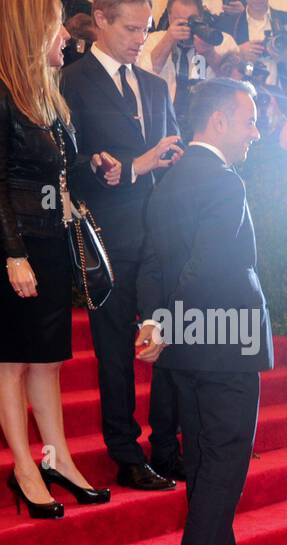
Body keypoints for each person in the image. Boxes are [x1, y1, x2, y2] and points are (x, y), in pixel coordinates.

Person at [135, 77, 282, 545]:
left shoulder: (168, 181)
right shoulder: (223, 183)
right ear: (218, 121)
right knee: (223, 464)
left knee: (203, 461)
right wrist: (169, 321)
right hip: (225, 343)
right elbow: (210, 265)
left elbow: (151, 263)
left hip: (187, 350)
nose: (255, 131)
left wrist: (155, 321)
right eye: (248, 120)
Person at [2, 0, 120, 519]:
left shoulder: (49, 97)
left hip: (52, 243)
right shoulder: (4, 96)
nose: (68, 40)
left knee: (48, 361)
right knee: (11, 361)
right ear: (31, 35)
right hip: (18, 247)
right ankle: (25, 468)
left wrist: (96, 163)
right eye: (57, 31)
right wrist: (11, 254)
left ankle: (58, 459)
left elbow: (63, 174)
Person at [61, 0, 185, 490]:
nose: (140, 38)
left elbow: (171, 149)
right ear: (101, 21)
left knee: (169, 341)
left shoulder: (154, 85)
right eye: (131, 29)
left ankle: (168, 447)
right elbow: (66, 166)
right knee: (115, 353)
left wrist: (172, 159)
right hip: (107, 242)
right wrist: (130, 166)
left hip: (163, 239)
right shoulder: (72, 81)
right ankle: (126, 454)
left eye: (146, 28)